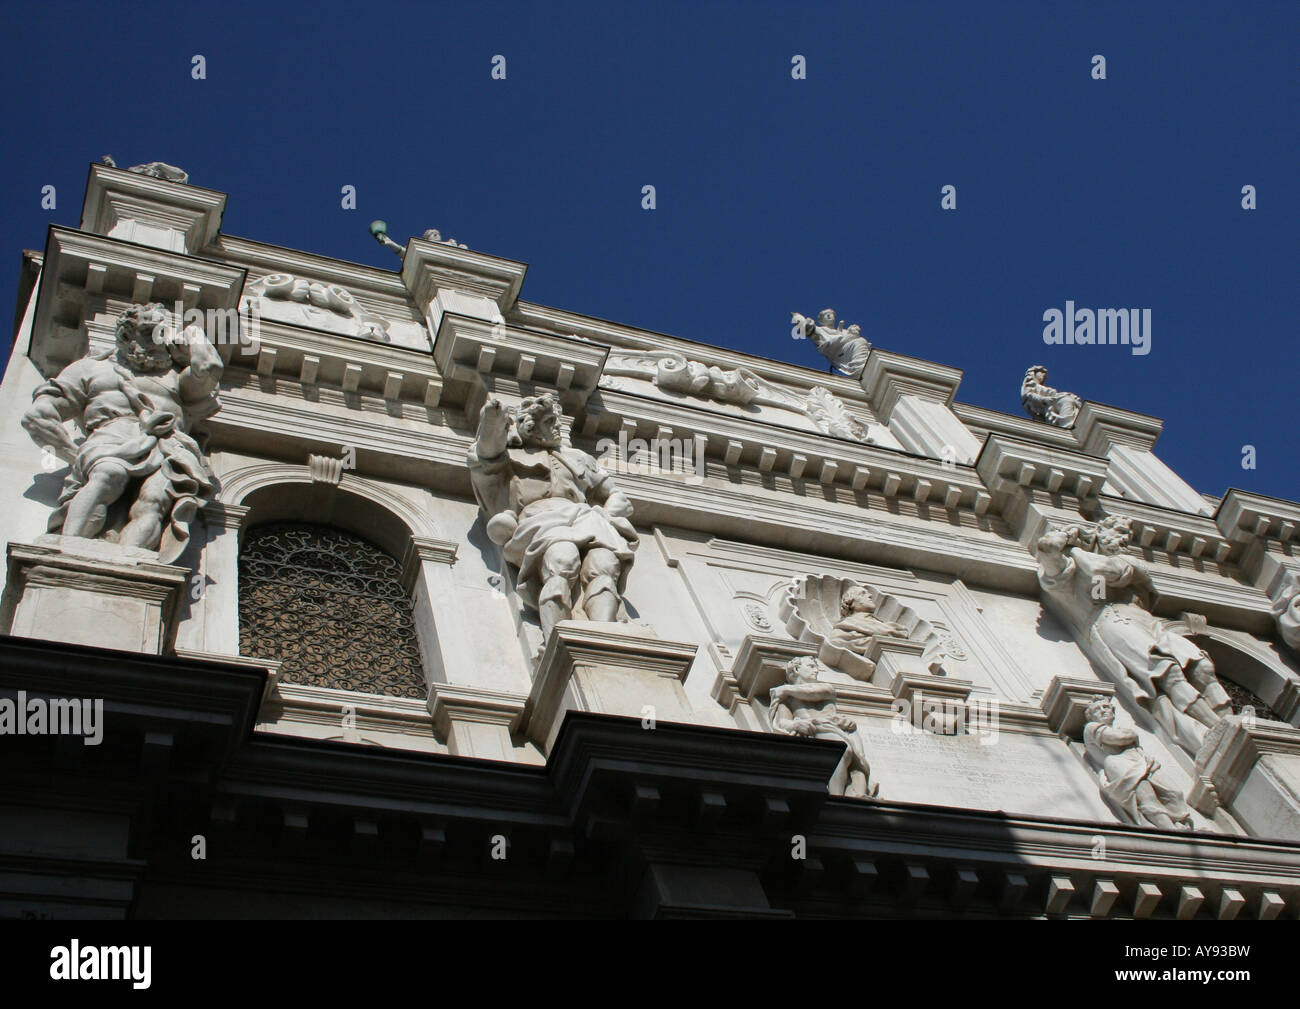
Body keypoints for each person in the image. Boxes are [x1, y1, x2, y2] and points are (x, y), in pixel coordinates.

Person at [21, 302, 221, 558]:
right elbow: (38, 416)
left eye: (166, 334)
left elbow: (209, 369)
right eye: (152, 331)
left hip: (168, 444)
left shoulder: (176, 378)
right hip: (111, 437)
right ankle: (67, 550)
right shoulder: (91, 368)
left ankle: (133, 561)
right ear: (128, 335)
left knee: (156, 499)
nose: (160, 341)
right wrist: (77, 457)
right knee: (107, 475)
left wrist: (194, 333)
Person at [1037, 517, 1230, 753]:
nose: (1122, 541)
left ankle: (1231, 724)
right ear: (1099, 534)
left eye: (1124, 538)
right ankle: (1214, 731)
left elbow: (1102, 571)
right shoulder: (1081, 577)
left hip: (1147, 621)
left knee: (1202, 668)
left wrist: (1075, 548)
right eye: (1116, 535)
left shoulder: (1125, 561)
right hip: (1113, 621)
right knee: (1166, 674)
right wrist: (1067, 539)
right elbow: (1048, 549)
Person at [468, 393, 638, 639]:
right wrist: (493, 422)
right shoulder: (511, 458)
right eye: (549, 422)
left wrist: (606, 516)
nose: (557, 427)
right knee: (563, 560)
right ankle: (555, 643)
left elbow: (618, 496)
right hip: (539, 519)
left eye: (556, 421)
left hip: (586, 517)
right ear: (530, 427)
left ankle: (607, 639)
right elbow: (486, 453)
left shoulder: (577, 458)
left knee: (604, 564)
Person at [770, 656, 878, 798]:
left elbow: (813, 693)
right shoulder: (787, 699)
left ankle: (856, 795)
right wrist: (796, 724)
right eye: (811, 666)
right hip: (815, 731)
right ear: (796, 669)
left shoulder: (825, 688)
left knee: (860, 764)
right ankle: (837, 798)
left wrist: (784, 689)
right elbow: (782, 722)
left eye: (816, 667)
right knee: (842, 751)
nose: (816, 670)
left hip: (839, 730)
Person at [1082, 696, 1192, 829]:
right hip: (1119, 763)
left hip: (1142, 760)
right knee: (1148, 798)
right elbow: (1117, 738)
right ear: (1091, 716)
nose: (1102, 711)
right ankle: (1170, 830)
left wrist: (1130, 736)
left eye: (1105, 707)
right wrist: (1132, 735)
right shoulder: (1090, 727)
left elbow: (1122, 737)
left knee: (1174, 792)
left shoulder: (1119, 728)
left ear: (1113, 711)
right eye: (1096, 710)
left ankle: (1181, 823)